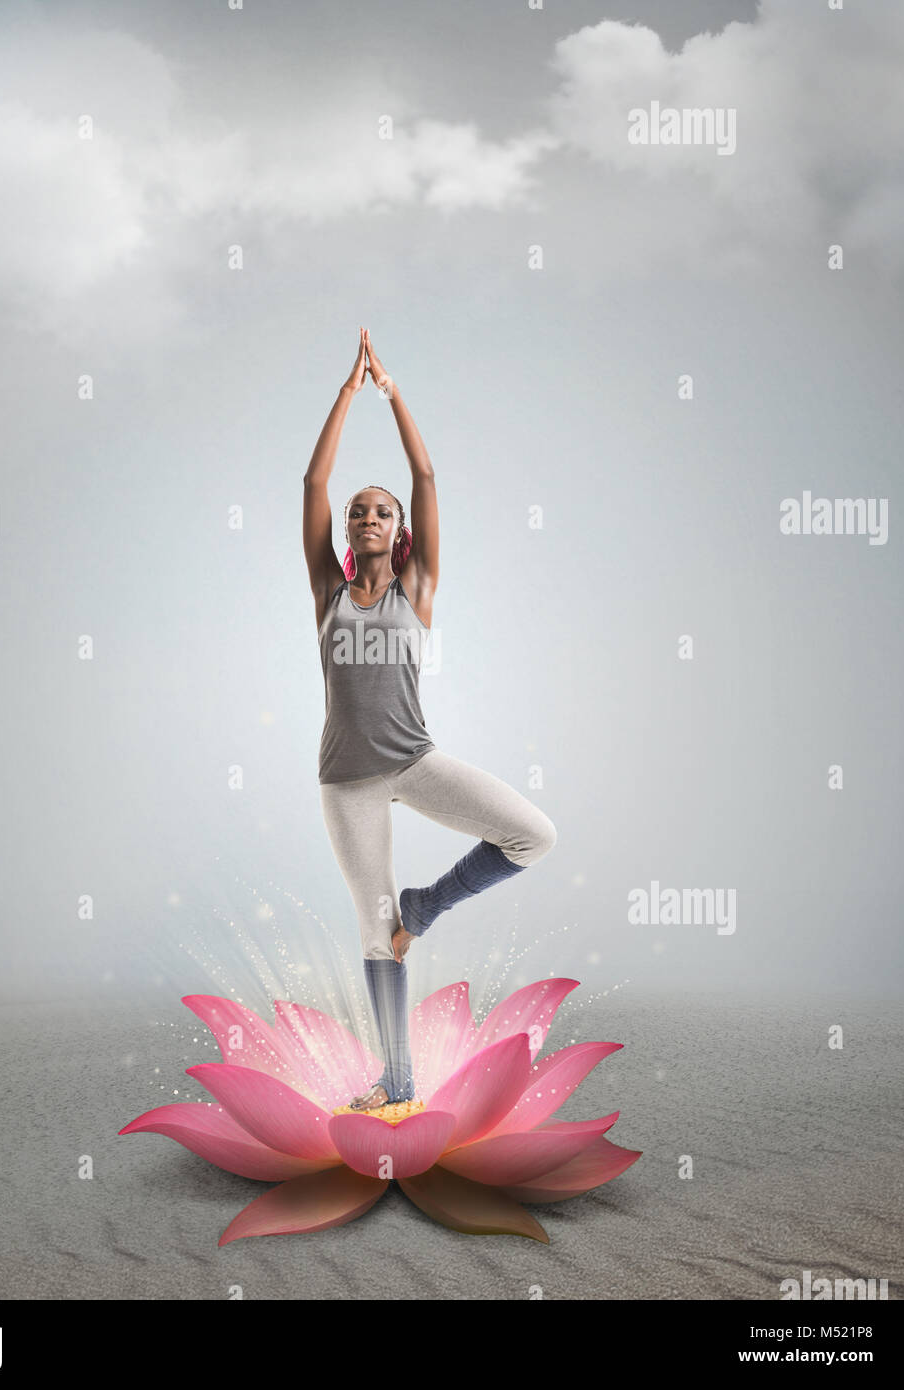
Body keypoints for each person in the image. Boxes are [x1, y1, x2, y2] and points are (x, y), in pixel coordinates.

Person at [302, 328, 557, 1112]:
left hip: (414, 760)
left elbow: (425, 472)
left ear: (398, 529)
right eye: (358, 511)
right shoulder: (328, 594)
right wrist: (345, 394)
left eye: (381, 511)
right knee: (375, 936)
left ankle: (427, 905)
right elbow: (313, 481)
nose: (370, 516)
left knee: (533, 836)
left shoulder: (419, 588)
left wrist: (392, 392)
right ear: (347, 531)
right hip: (347, 783)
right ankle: (398, 1082)